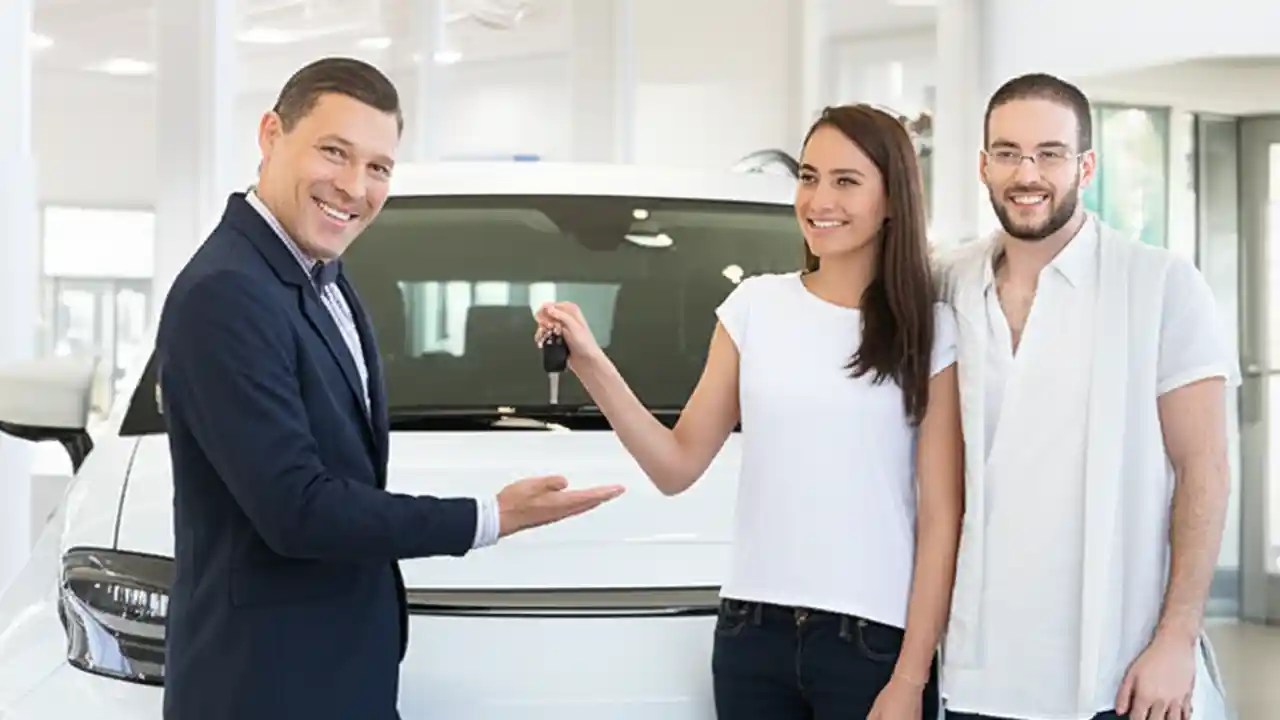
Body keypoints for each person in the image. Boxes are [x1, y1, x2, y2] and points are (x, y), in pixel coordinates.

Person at [154, 57, 624, 720]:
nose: (354, 187)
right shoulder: (227, 293)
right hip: (267, 686)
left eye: (378, 167)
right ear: (269, 135)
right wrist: (489, 516)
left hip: (338, 674)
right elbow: (298, 509)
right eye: (334, 152)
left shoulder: (320, 274)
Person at [534, 104, 964, 719]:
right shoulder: (756, 306)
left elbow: (942, 518)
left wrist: (909, 677)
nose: (820, 199)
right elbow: (675, 466)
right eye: (810, 176)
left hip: (871, 646)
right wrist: (590, 364)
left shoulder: (932, 329)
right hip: (750, 636)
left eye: (846, 181)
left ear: (892, 199)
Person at [934, 73, 1238, 720]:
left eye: (1050, 153)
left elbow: (1204, 472)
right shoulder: (946, 284)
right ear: (983, 165)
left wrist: (1176, 639)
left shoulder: (1160, 286)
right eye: (1009, 152)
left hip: (1113, 674)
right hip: (970, 671)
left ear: (1086, 166)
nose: (1028, 172)